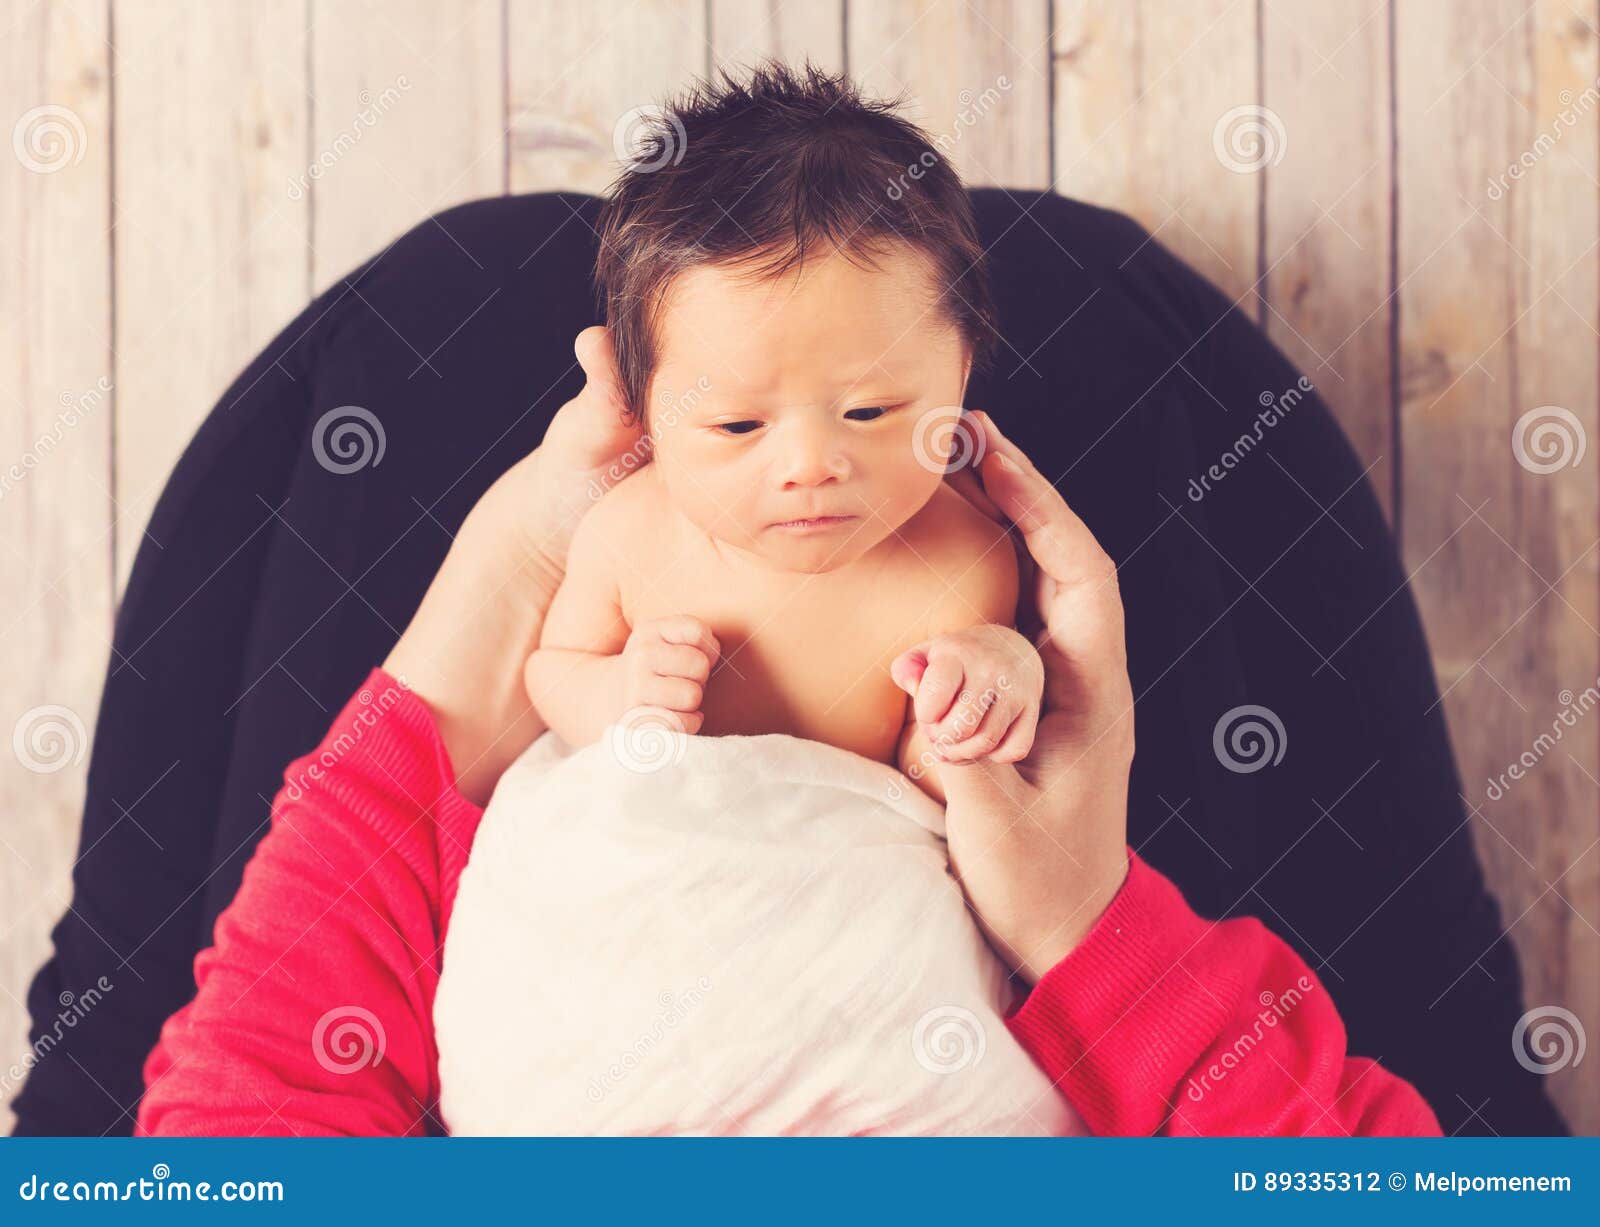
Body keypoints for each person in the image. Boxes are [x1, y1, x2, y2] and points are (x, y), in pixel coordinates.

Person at [133, 325, 1440, 1136]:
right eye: (743, 423)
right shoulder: (631, 537)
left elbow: (239, 1147)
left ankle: (418, 737)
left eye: (867, 411)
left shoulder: (958, 556)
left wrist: (989, 696)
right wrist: (1100, 937)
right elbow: (565, 681)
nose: (809, 465)